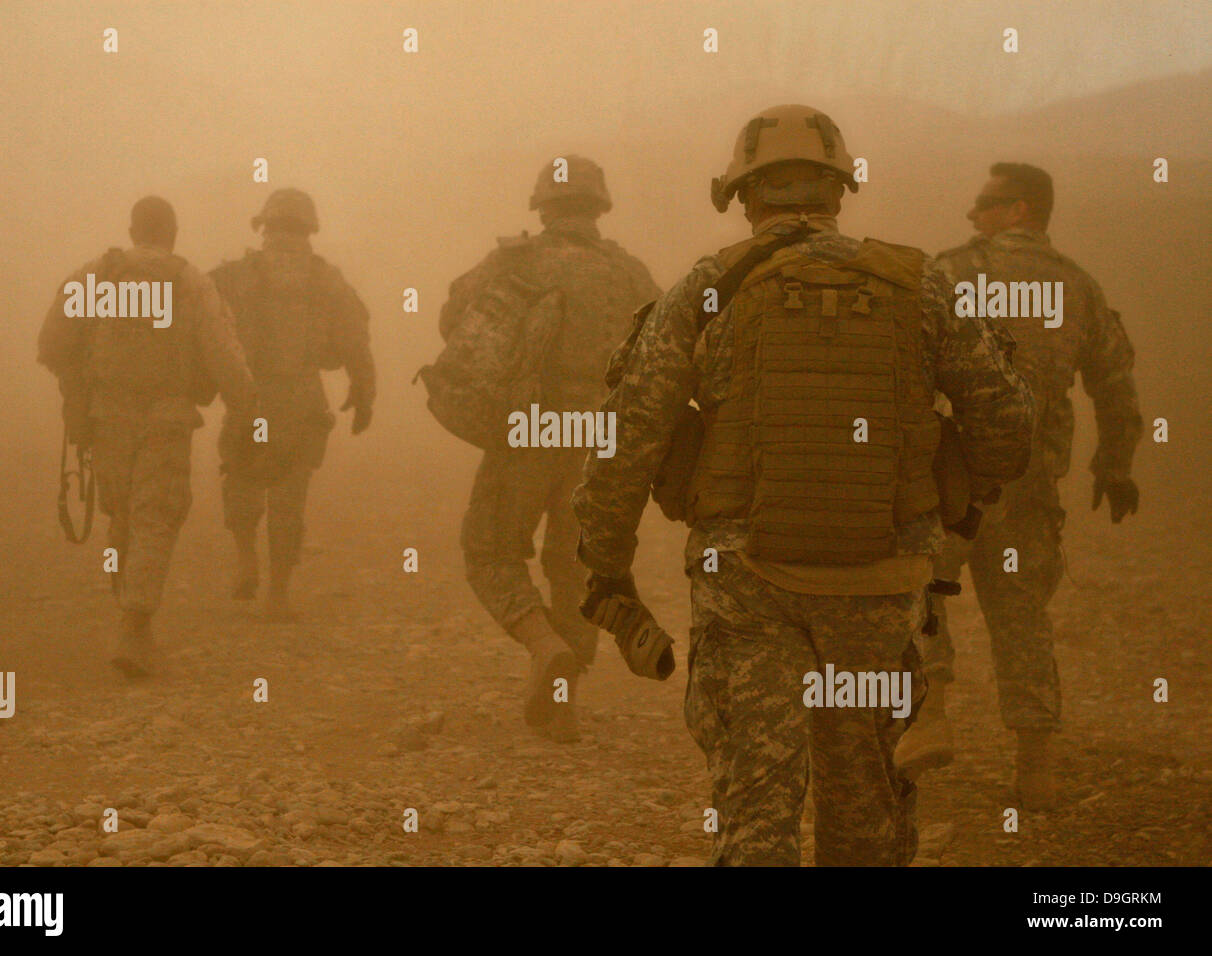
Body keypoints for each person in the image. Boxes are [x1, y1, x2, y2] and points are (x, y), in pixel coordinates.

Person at [572, 106, 1035, 864]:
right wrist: (950, 511)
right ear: (838, 191)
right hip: (880, 582)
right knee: (865, 798)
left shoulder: (709, 287)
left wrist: (606, 561)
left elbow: (629, 436)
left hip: (748, 580)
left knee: (758, 803)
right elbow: (1008, 428)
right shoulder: (922, 283)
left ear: (746, 196)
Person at [898, 163, 1143, 809]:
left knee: (919, 592)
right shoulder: (1079, 287)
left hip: (950, 484)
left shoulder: (949, 273)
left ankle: (930, 716)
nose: (972, 215)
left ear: (1020, 210)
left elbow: (901, 368)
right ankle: (1038, 768)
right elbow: (1115, 385)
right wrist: (1114, 466)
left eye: (984, 203)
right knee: (1023, 618)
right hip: (1030, 487)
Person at [441, 156, 660, 742]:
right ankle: (563, 703)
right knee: (578, 568)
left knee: (489, 550)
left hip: (530, 429)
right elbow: (667, 351)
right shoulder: (630, 274)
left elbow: (455, 322)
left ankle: (542, 646)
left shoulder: (515, 260)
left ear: (542, 207)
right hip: (600, 440)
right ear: (599, 206)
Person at [38, 196, 256, 677]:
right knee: (155, 517)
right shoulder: (191, 281)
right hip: (166, 417)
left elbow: (51, 342)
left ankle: (130, 615)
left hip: (107, 417)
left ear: (133, 229)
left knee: (122, 518)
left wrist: (78, 389)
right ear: (173, 233)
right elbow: (224, 356)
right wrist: (246, 405)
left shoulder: (95, 274)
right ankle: (134, 626)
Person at [211, 189, 376, 620]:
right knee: (289, 497)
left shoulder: (235, 274)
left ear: (265, 225)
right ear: (310, 228)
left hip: (250, 398)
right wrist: (364, 395)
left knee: (243, 477)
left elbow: (199, 323)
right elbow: (356, 340)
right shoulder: (326, 280)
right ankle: (278, 596)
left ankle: (246, 559)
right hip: (301, 400)